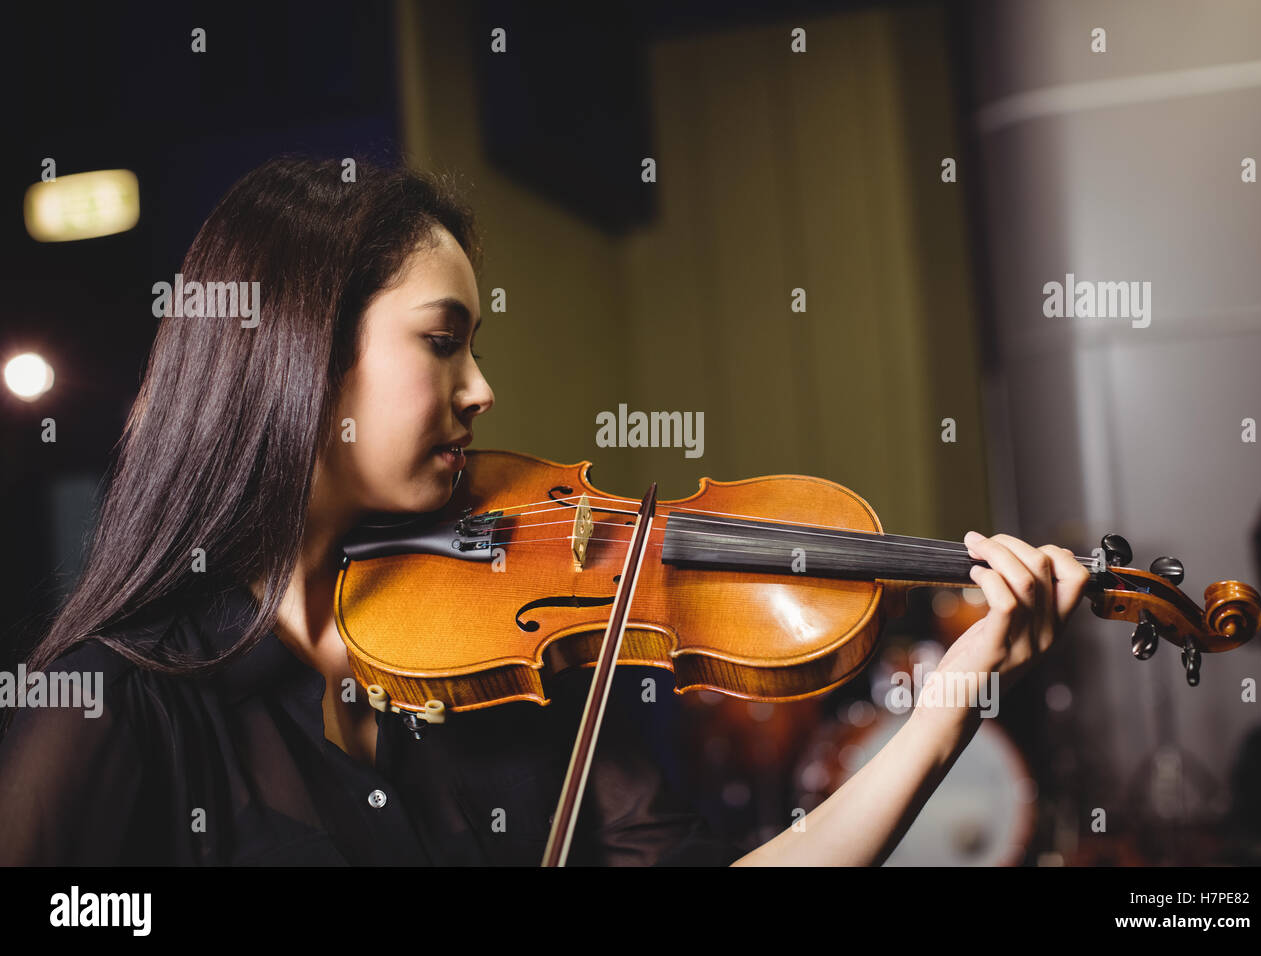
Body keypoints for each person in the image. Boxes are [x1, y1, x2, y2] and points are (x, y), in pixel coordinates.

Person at [0, 157, 1091, 866]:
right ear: (303, 349)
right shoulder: (119, 702)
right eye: (441, 339)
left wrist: (949, 703)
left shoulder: (500, 671)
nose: (481, 390)